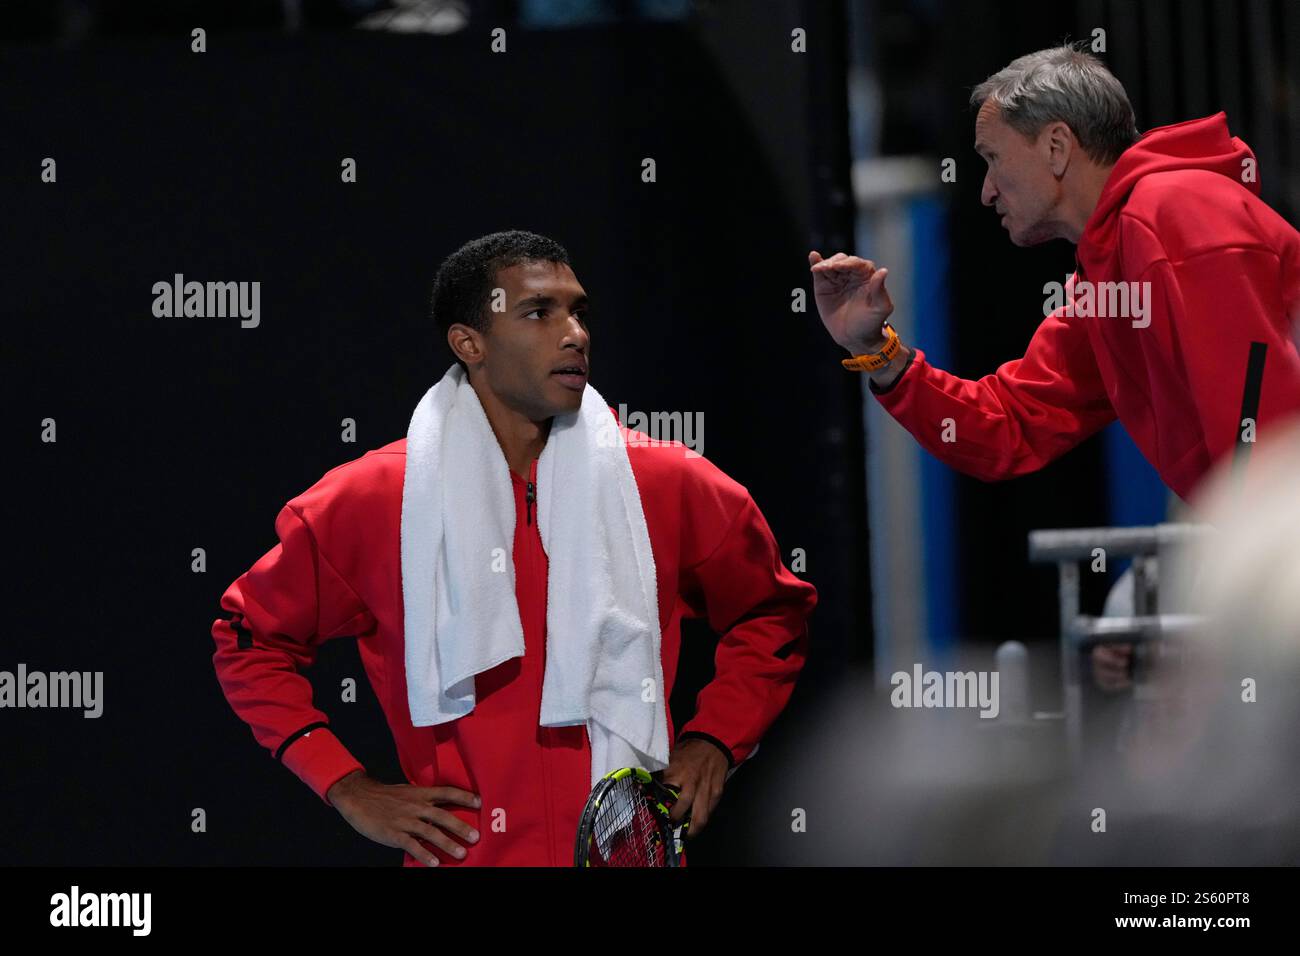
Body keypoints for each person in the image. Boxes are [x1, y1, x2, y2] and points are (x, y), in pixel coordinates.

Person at [211, 230, 816, 866]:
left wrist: (716, 740)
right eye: (537, 312)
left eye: (578, 311)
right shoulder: (373, 499)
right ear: (469, 343)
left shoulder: (668, 482)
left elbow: (772, 611)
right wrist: (344, 784)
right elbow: (247, 637)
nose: (574, 333)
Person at [809, 44, 1300, 692]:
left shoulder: (1175, 213)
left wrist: (1207, 615)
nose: (984, 191)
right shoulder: (1114, 264)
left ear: (1057, 146)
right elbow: (1007, 427)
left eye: (992, 158)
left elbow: (1267, 451)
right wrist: (880, 352)